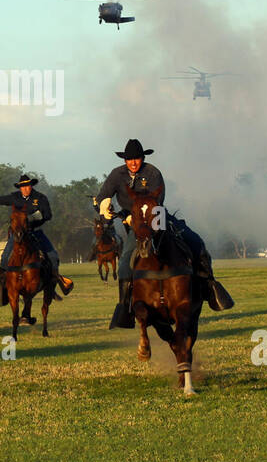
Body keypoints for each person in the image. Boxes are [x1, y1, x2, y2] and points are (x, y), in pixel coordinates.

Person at [97, 139, 232, 329]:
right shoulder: (116, 175)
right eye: (129, 159)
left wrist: (140, 218)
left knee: (196, 242)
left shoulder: (153, 173)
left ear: (142, 158)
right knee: (125, 265)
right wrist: (103, 205)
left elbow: (157, 201)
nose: (133, 162)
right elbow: (102, 196)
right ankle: (125, 308)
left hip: (157, 218)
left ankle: (210, 287)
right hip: (134, 227)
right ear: (125, 160)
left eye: (136, 158)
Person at [0, 173, 73, 304]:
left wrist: (36, 217)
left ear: (31, 186)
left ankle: (54, 284)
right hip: (18, 236)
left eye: (28, 186)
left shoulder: (40, 198)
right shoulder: (15, 197)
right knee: (4, 258)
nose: (25, 188)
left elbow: (48, 215)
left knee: (52, 256)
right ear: (20, 188)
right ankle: (3, 289)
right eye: (23, 186)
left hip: (35, 232)